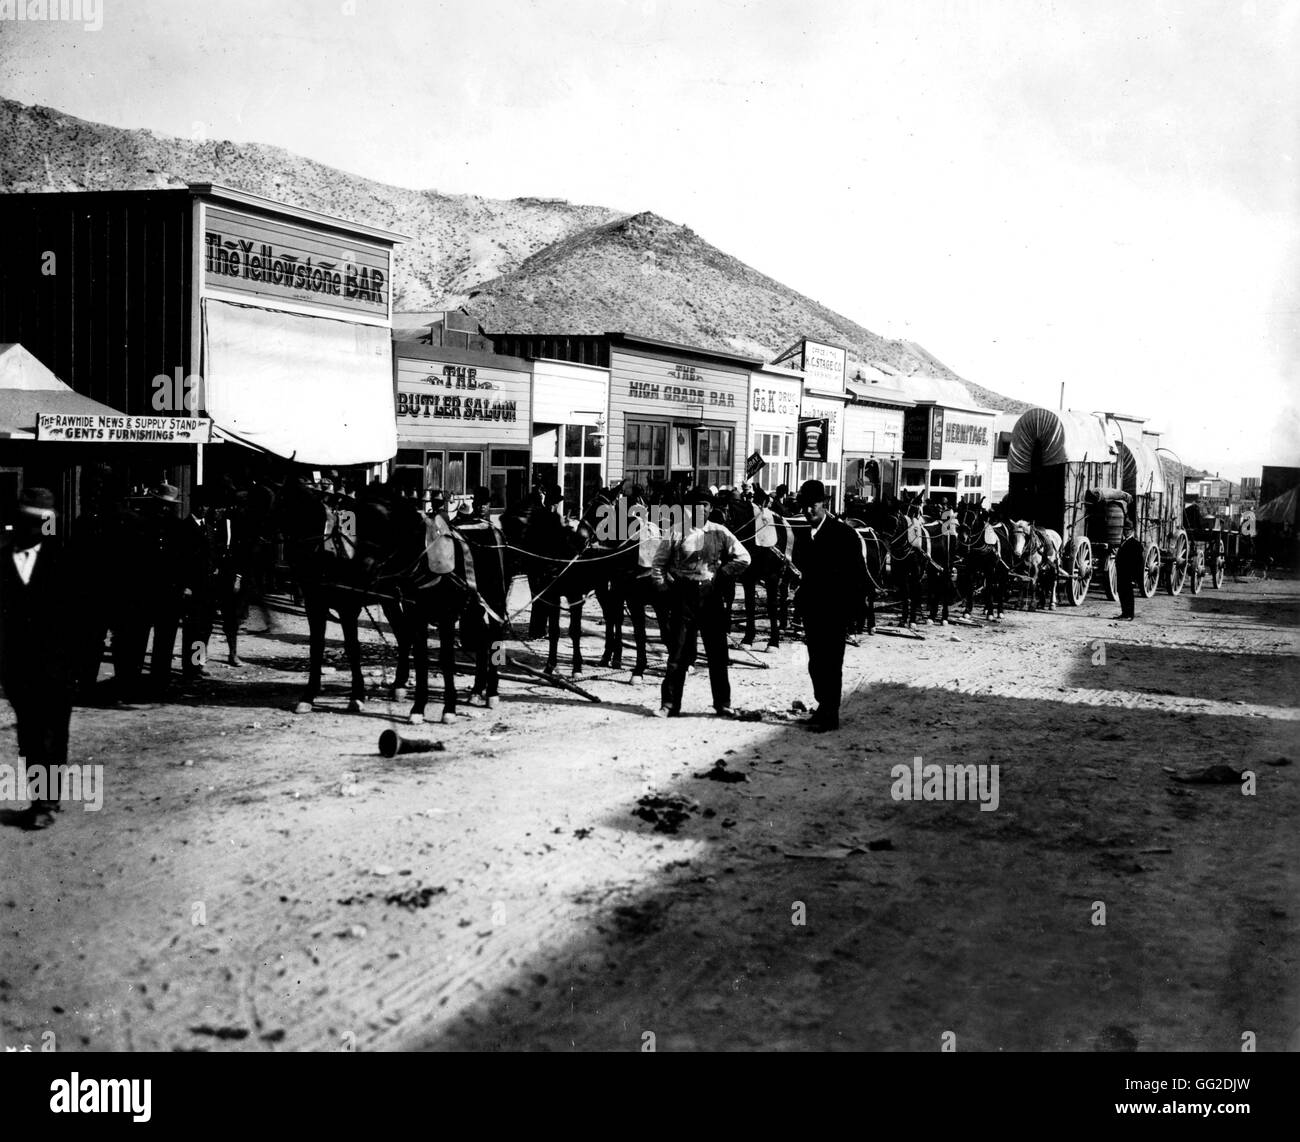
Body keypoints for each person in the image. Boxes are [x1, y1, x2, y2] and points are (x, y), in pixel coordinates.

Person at [0, 488, 75, 828]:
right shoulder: (1, 562)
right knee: (30, 735)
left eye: (42, 523)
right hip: (17, 667)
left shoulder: (63, 560)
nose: (36, 529)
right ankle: (38, 797)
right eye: (29, 522)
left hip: (57, 665)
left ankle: (46, 801)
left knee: (53, 733)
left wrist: (75, 663)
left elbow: (82, 616)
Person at [652, 487, 750, 718]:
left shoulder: (720, 532)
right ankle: (669, 704)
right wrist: (666, 589)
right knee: (678, 654)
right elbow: (658, 566)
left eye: (705, 505)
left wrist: (723, 574)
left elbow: (744, 558)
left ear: (710, 508)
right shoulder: (676, 532)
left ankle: (722, 703)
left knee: (717, 653)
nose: (701, 509)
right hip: (682, 597)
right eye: (696, 505)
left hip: (710, 596)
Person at [793, 479, 867, 732]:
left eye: (812, 506)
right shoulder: (803, 536)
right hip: (813, 609)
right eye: (804, 507)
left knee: (831, 662)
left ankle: (830, 715)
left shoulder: (843, 534)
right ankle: (823, 706)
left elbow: (857, 576)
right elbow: (804, 572)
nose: (807, 511)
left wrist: (854, 613)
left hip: (836, 609)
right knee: (815, 662)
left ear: (824, 504)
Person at [1114, 518, 1143, 621]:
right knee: (1122, 593)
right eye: (1125, 530)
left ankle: (1129, 614)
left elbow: (1138, 563)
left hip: (1128, 575)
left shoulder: (1135, 544)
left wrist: (1134, 578)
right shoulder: (1123, 542)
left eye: (1128, 530)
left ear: (1132, 531)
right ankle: (1124, 613)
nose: (1126, 531)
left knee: (1128, 594)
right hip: (1121, 574)